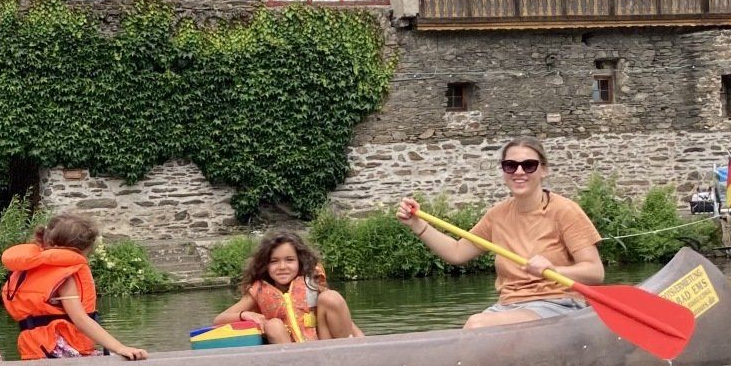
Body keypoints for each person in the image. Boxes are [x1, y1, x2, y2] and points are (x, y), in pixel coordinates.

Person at [395, 137, 602, 329]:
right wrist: (418, 225)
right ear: (504, 171)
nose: (519, 172)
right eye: (510, 166)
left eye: (529, 165)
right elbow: (457, 253)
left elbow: (595, 272)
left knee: (477, 325)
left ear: (543, 171)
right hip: (507, 306)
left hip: (558, 304)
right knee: (473, 329)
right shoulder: (497, 215)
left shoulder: (565, 210)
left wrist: (555, 271)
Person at [0, 214, 147, 360]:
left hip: (35, 347)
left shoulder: (33, 268)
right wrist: (120, 347)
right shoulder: (65, 278)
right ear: (80, 250)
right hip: (57, 347)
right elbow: (80, 319)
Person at [212, 231, 362, 344]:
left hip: (322, 346)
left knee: (331, 297)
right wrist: (244, 315)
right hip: (291, 357)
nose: (282, 267)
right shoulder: (259, 290)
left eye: (289, 260)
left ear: (299, 261)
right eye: (274, 261)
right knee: (273, 325)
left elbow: (348, 323)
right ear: (266, 265)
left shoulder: (312, 283)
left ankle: (351, 354)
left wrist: (367, 345)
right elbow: (218, 320)